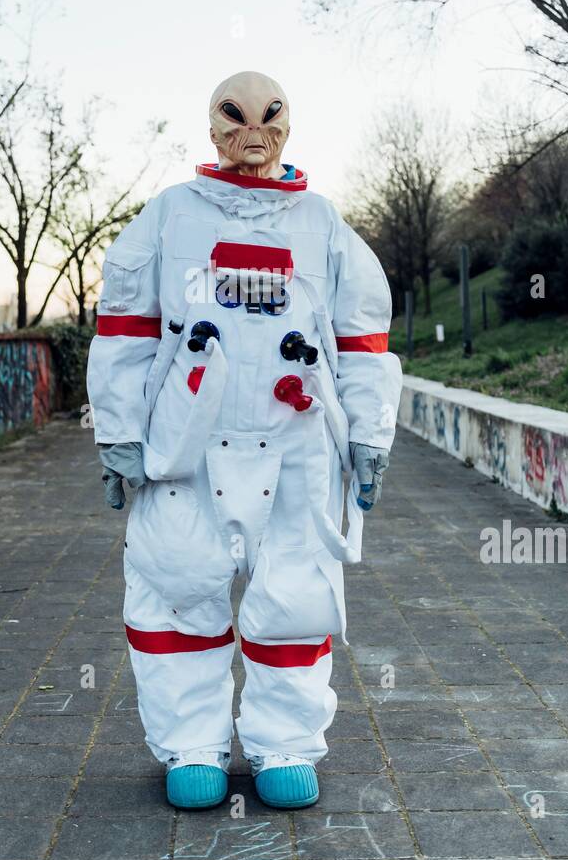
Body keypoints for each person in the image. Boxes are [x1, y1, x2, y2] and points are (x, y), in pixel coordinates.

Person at [87, 71, 402, 809]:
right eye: (235, 118)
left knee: (294, 597)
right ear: (212, 126)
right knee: (177, 588)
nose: (251, 135)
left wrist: (369, 437)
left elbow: (361, 341)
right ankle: (190, 746)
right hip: (184, 446)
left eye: (268, 117)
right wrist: (119, 434)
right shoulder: (168, 217)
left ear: (288, 126)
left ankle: (284, 745)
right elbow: (125, 326)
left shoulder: (323, 225)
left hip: (298, 445)